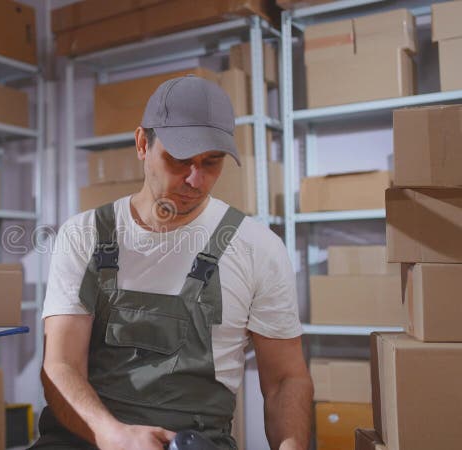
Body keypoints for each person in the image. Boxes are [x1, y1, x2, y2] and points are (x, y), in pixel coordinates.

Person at [32, 75, 313, 450]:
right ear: (142, 144)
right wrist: (114, 436)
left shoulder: (257, 247)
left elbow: (285, 380)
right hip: (89, 437)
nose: (195, 180)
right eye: (179, 160)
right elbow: (60, 367)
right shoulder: (84, 235)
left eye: (211, 163)